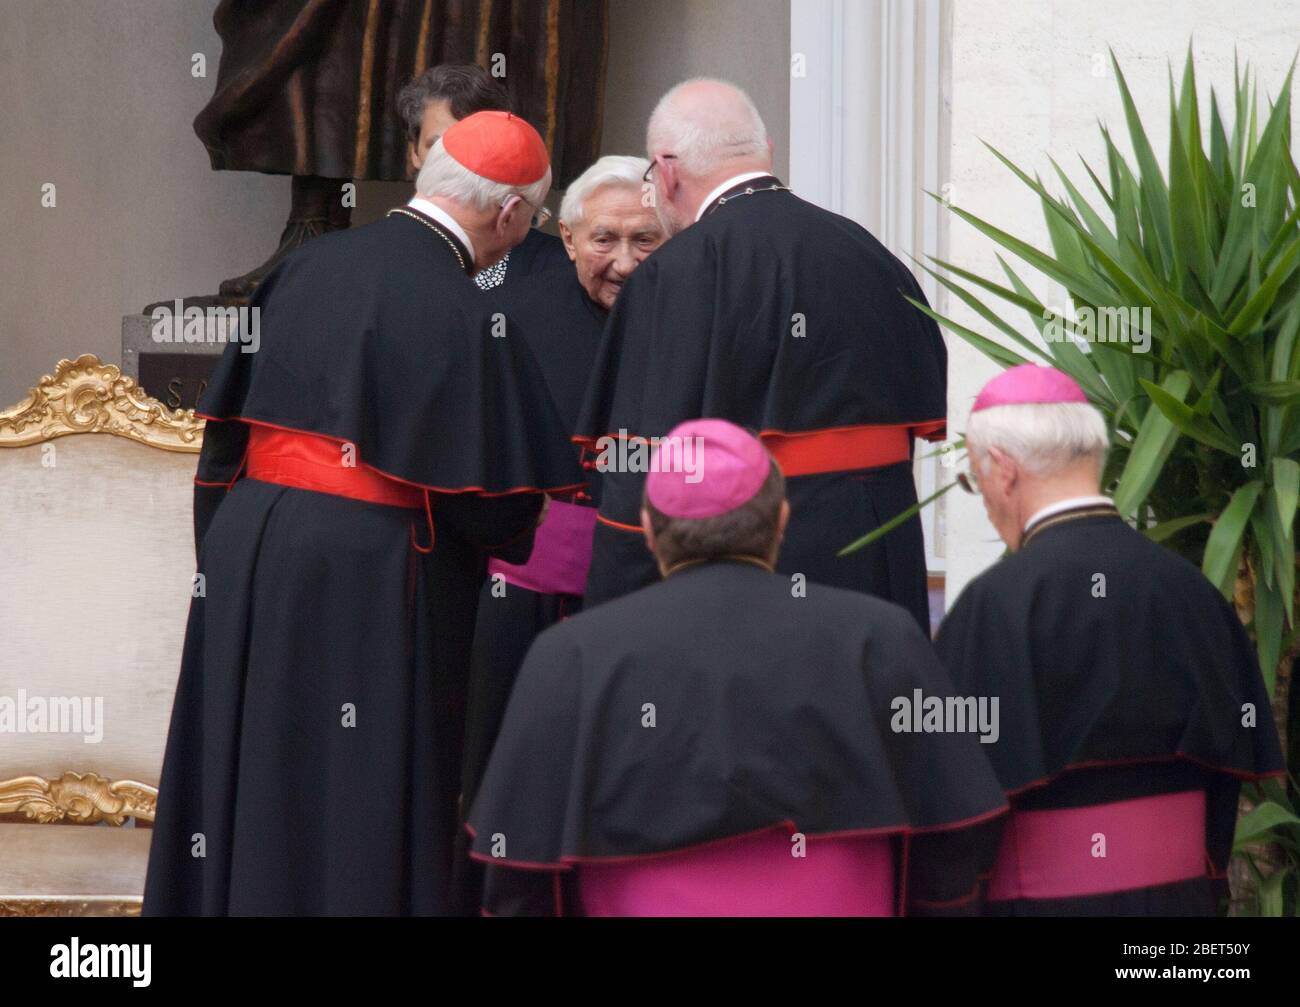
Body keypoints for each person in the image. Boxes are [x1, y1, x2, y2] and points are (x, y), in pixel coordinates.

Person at [143, 111, 583, 916]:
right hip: (372, 571)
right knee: (350, 788)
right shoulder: (472, 314)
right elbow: (498, 511)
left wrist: (232, 563)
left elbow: (223, 440)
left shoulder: (304, 267)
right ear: (511, 214)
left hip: (251, 545)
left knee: (249, 769)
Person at [466, 419, 1006, 916]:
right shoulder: (881, 635)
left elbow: (517, 870)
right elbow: (957, 828)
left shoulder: (571, 654)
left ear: (650, 529)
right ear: (782, 519)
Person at [574, 79, 947, 629]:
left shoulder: (675, 274)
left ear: (667, 171)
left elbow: (643, 464)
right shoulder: (870, 254)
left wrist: (610, 615)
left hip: (750, 563)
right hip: (880, 551)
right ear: (765, 152)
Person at [935, 364, 1285, 915]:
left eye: (976, 482)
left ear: (1001, 471)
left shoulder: (995, 606)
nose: (985, 499)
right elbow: (1225, 789)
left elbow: (953, 803)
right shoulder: (1194, 592)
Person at [459, 155, 665, 822]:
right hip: (523, 585)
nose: (625, 262)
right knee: (507, 776)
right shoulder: (501, 315)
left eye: (646, 239)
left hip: (651, 583)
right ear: (569, 238)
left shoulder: (695, 316)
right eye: (605, 239)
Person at [397, 63, 569, 289]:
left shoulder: (559, 269)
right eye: (439, 145)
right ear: (414, 153)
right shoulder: (372, 256)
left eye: (473, 146)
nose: (454, 162)